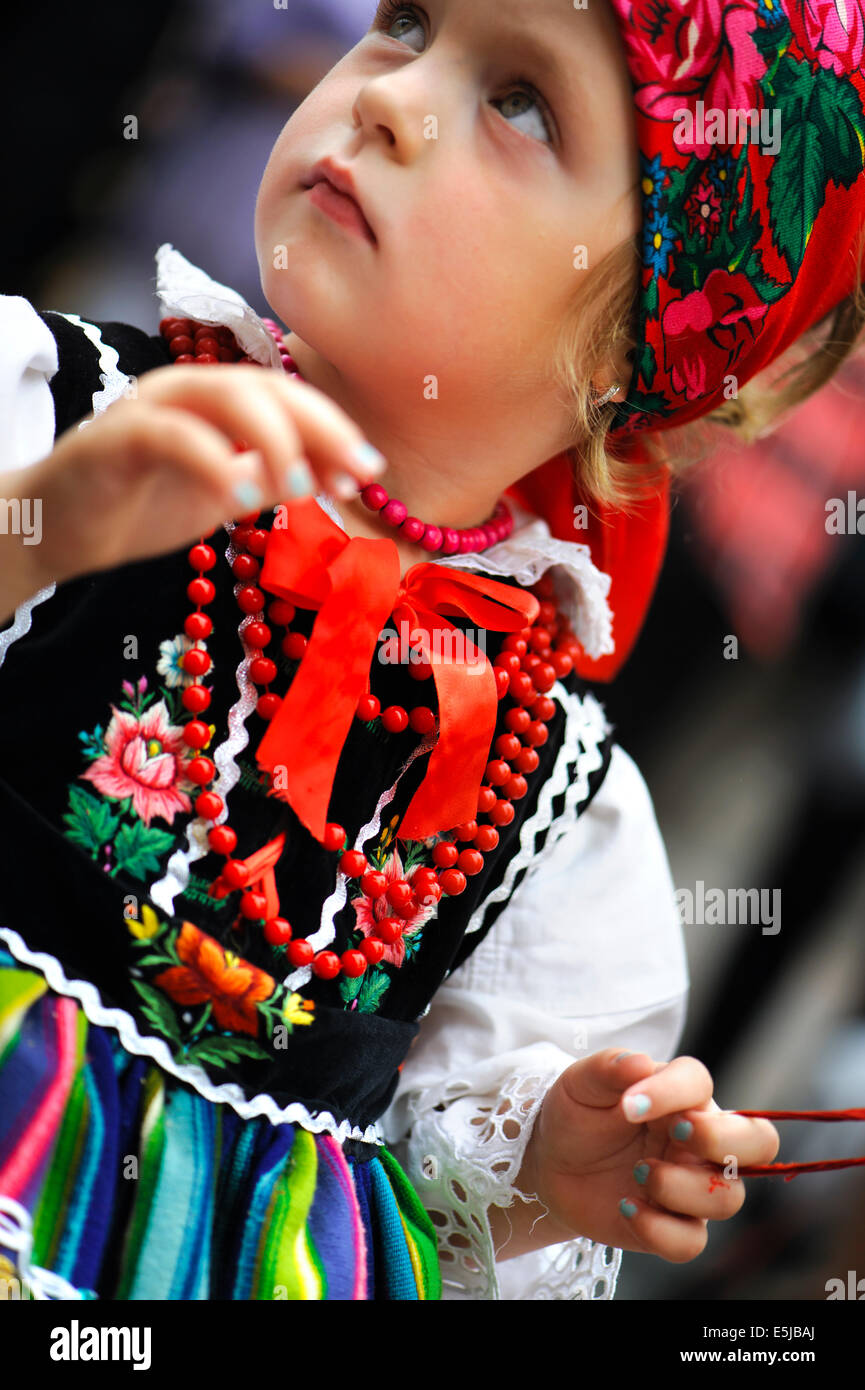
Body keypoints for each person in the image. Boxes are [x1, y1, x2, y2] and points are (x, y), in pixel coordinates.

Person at [0, 0, 863, 1301]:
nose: (391, 97)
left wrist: (538, 1189)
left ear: (651, 333)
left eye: (519, 100)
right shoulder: (47, 408)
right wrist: (39, 534)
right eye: (407, 22)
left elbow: (409, 1237)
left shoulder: (558, 811)